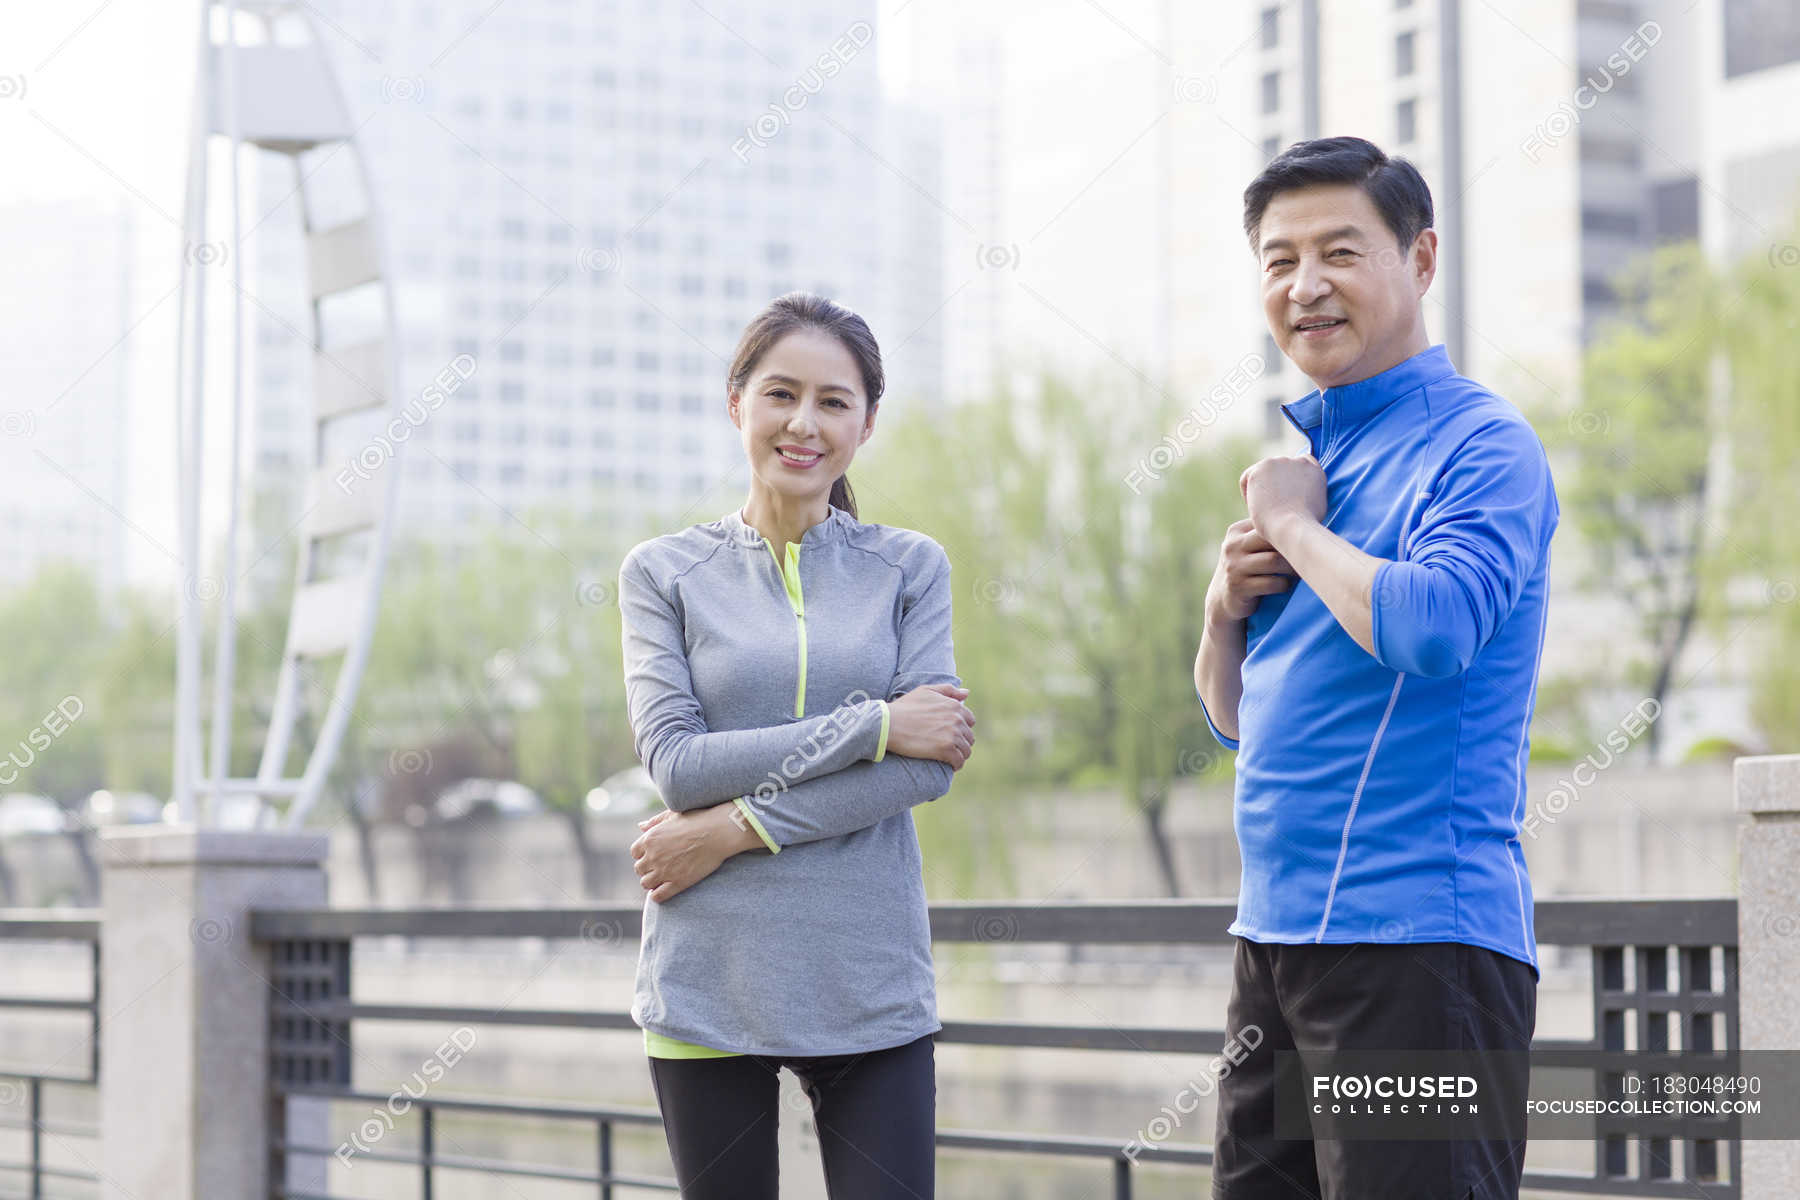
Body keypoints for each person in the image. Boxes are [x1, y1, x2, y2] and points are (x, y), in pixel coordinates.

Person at [1194, 137, 1559, 1199]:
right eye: (1277, 260)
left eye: (1339, 251)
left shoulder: (1482, 445)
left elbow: (1435, 628)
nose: (1304, 285)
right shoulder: (1310, 465)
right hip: (1272, 943)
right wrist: (1224, 609)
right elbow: (1237, 723)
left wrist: (1299, 536)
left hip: (1415, 950)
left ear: (1422, 256)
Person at [617, 292, 976, 1199]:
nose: (804, 423)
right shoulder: (662, 574)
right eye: (780, 395)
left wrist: (731, 830)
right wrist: (878, 724)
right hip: (710, 981)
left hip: (870, 982)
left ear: (867, 422)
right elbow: (677, 764)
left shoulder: (912, 567)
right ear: (736, 402)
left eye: (833, 401)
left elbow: (927, 772)